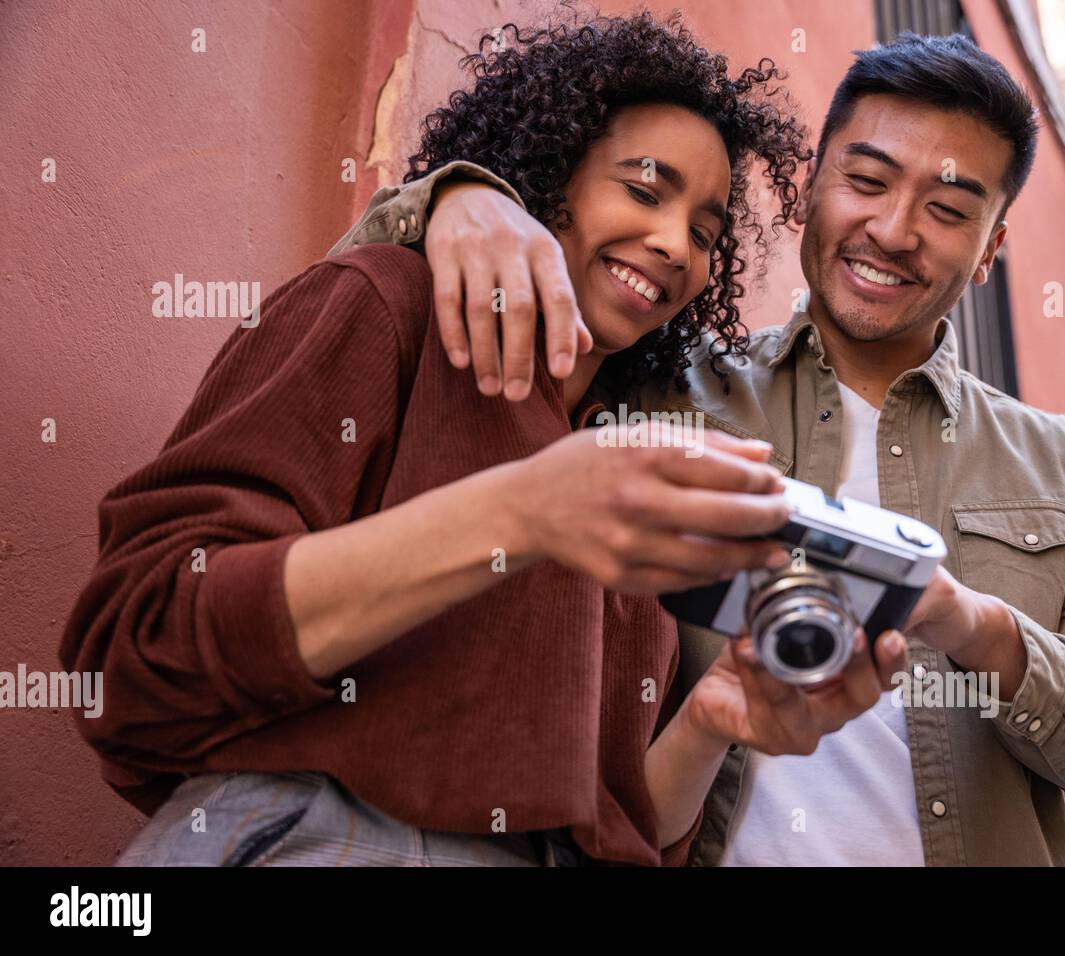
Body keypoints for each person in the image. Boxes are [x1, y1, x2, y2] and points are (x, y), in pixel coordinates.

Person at [59, 12, 908, 868]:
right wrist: (521, 512)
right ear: (552, 175)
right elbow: (142, 642)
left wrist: (712, 721)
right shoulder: (388, 302)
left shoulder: (629, 445)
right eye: (645, 191)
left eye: (702, 232)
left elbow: (619, 832)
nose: (672, 245)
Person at [338, 32, 1065, 865]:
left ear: (991, 247)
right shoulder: (655, 383)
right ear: (811, 190)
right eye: (866, 181)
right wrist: (457, 198)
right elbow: (434, 331)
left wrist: (972, 624)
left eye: (949, 210)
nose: (891, 230)